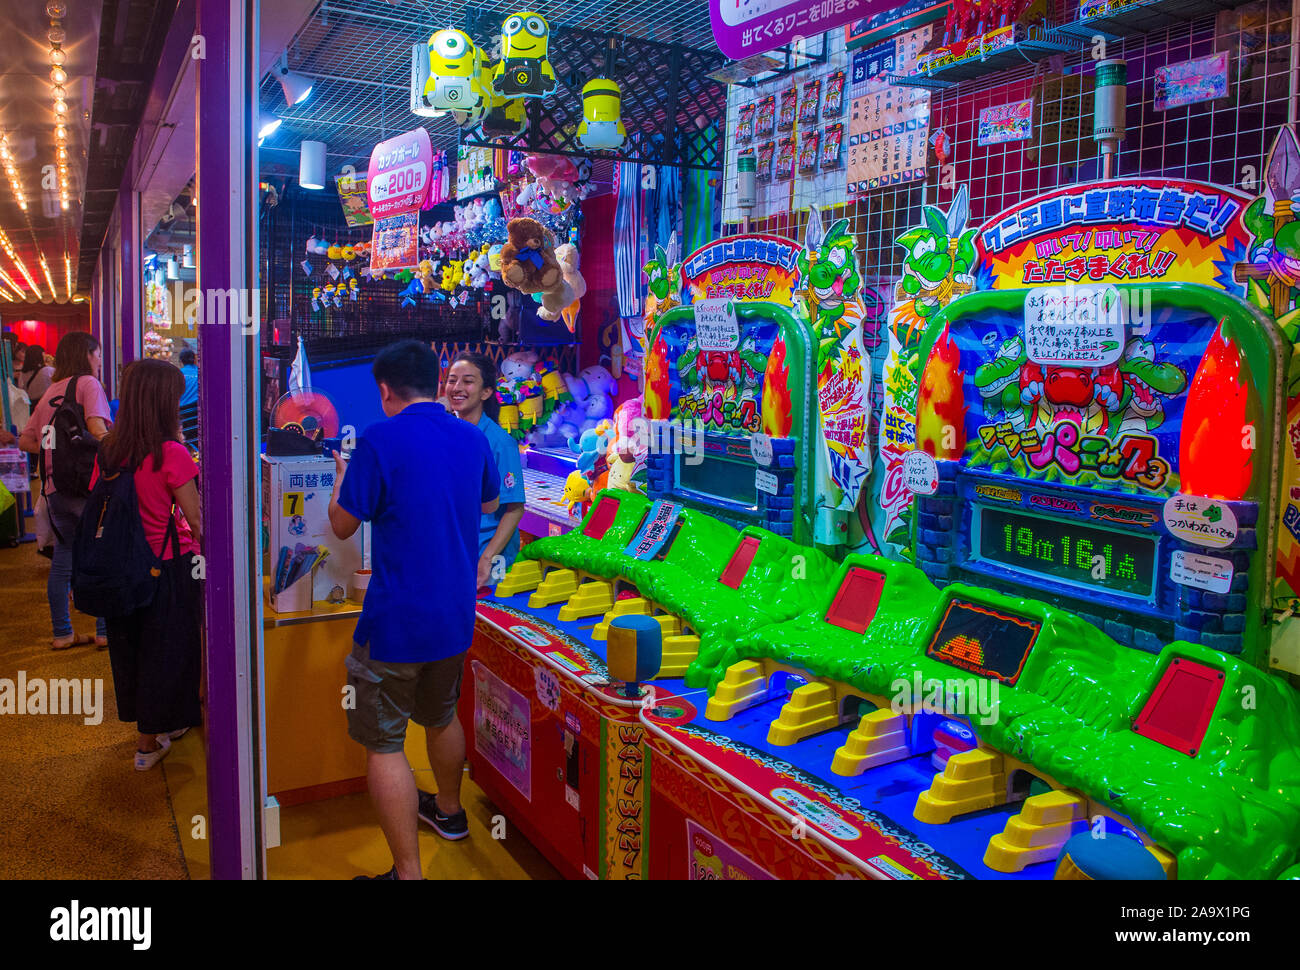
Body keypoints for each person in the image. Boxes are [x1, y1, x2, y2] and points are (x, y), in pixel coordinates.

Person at [328, 340, 500, 880]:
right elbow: (491, 503)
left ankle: (408, 873)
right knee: (441, 714)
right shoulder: (473, 439)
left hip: (396, 621)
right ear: (437, 380)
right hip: (454, 616)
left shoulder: (378, 441)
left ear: (385, 389)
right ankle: (449, 812)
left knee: (384, 744)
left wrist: (340, 479)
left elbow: (342, 524)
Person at [95, 359, 203, 770]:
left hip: (120, 569)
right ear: (164, 402)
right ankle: (148, 741)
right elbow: (195, 521)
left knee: (133, 649)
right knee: (169, 650)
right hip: (166, 568)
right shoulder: (171, 453)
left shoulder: (110, 449)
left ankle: (152, 726)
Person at [18, 332, 111, 649]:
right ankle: (103, 631)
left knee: (63, 560)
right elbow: (98, 431)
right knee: (102, 556)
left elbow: (27, 441)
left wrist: (57, 450)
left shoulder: (50, 393)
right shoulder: (88, 385)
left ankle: (63, 634)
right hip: (87, 487)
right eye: (97, 354)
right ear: (86, 354)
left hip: (56, 489)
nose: (100, 361)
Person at [443, 352, 525, 587]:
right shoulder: (446, 435)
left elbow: (515, 508)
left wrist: (487, 558)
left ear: (486, 391)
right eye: (451, 380)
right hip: (455, 554)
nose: (457, 387)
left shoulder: (500, 443)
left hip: (486, 560)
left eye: (468, 381)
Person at [177, 348, 199, 446]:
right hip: (196, 413)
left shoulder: (178, 374)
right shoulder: (200, 373)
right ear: (194, 359)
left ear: (181, 360)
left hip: (181, 414)